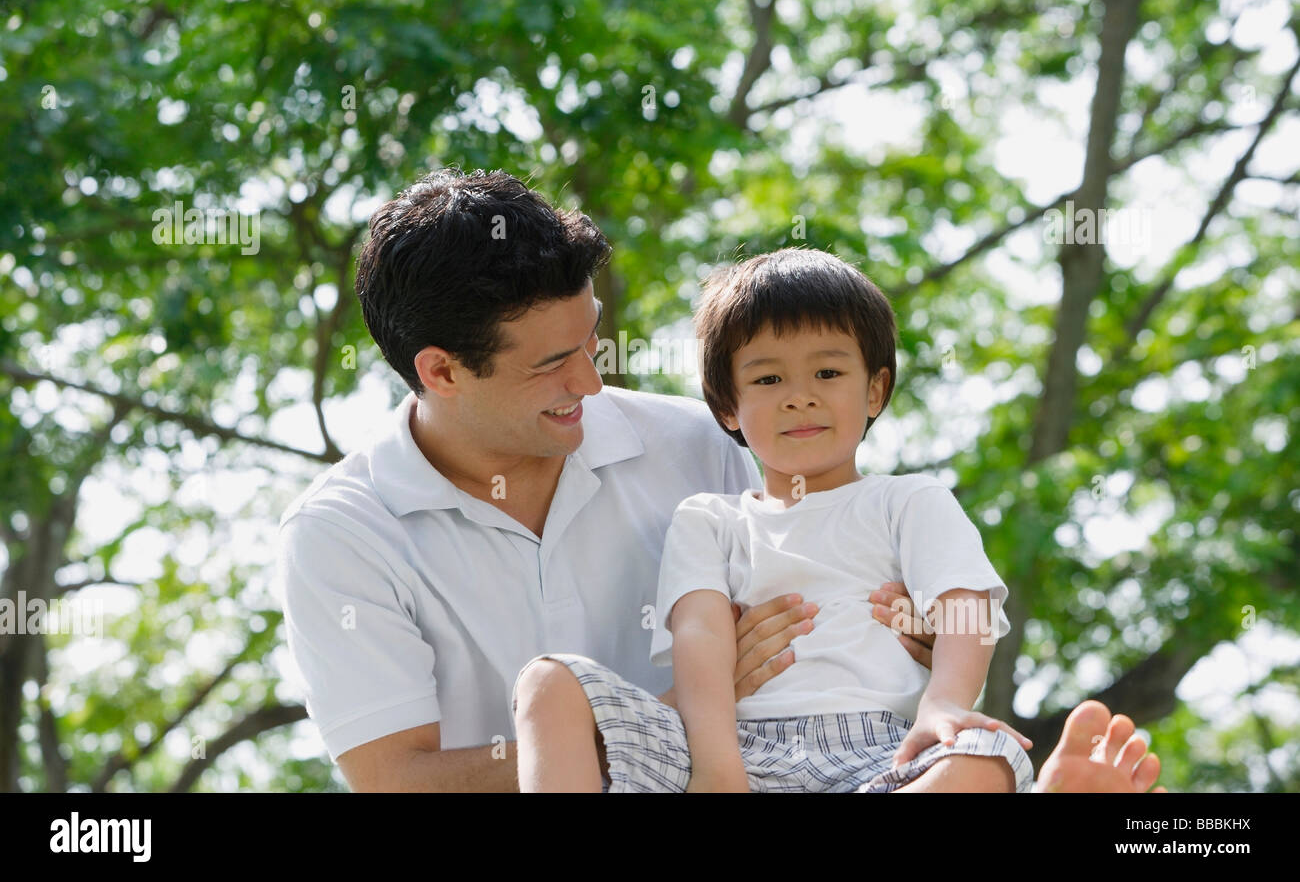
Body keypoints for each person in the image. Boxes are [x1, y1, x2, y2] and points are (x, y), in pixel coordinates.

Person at [278, 169, 890, 791]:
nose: (591, 383)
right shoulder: (342, 534)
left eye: (589, 340)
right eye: (551, 364)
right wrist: (668, 718)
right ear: (442, 372)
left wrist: (909, 637)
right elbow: (399, 781)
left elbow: (813, 632)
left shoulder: (699, 445)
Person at [511, 248, 1163, 794]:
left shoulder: (910, 501)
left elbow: (965, 602)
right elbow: (701, 639)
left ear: (874, 390)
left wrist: (943, 699)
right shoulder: (710, 520)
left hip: (881, 753)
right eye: (767, 379)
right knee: (549, 685)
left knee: (981, 758)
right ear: (728, 406)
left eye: (828, 370)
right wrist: (716, 770)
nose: (801, 394)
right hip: (732, 750)